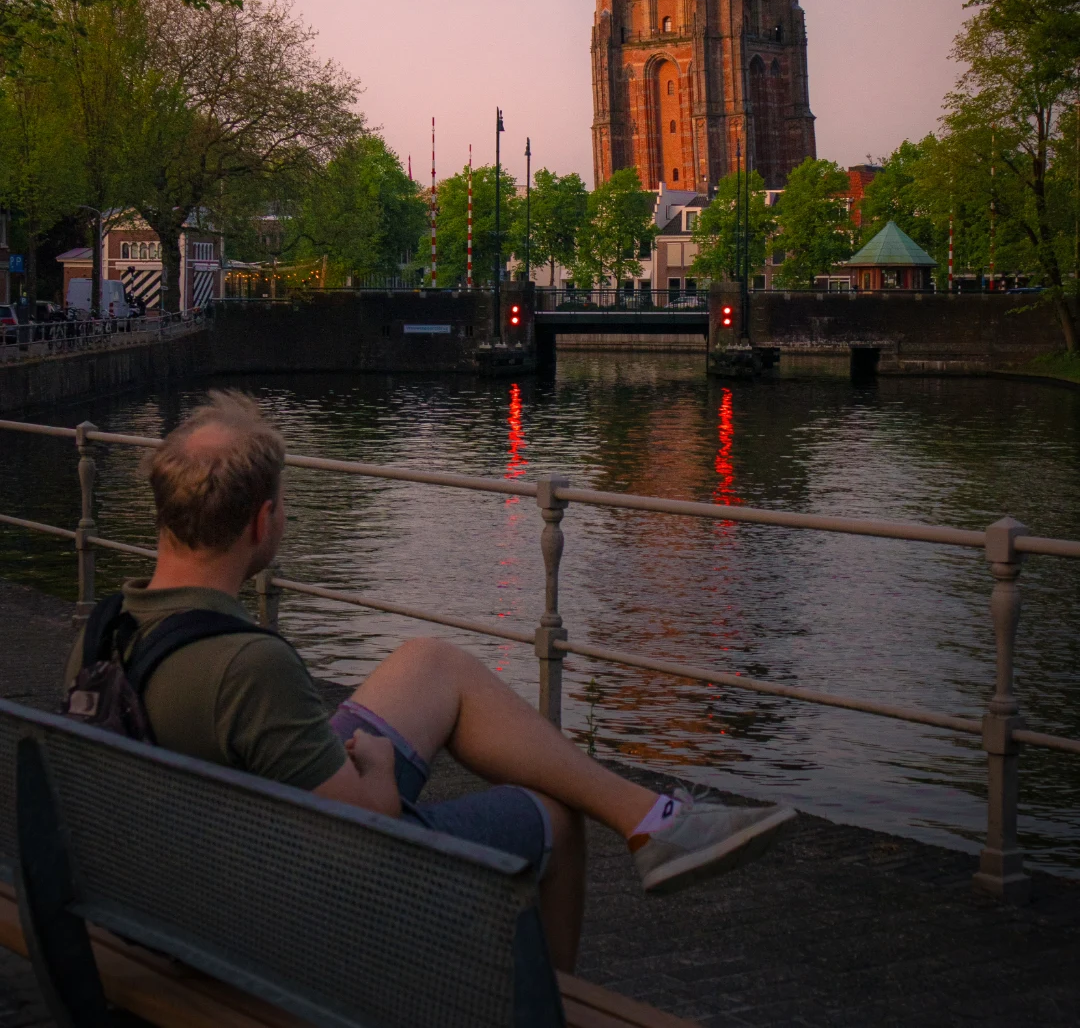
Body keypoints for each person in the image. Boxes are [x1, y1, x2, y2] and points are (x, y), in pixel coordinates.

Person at [66, 392, 795, 971]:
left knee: (430, 661)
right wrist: (378, 769)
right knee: (553, 814)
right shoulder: (247, 666)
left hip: (174, 892)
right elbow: (366, 833)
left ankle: (651, 819)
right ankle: (549, 1005)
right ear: (262, 523)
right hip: (260, 926)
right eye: (283, 506)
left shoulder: (105, 634)